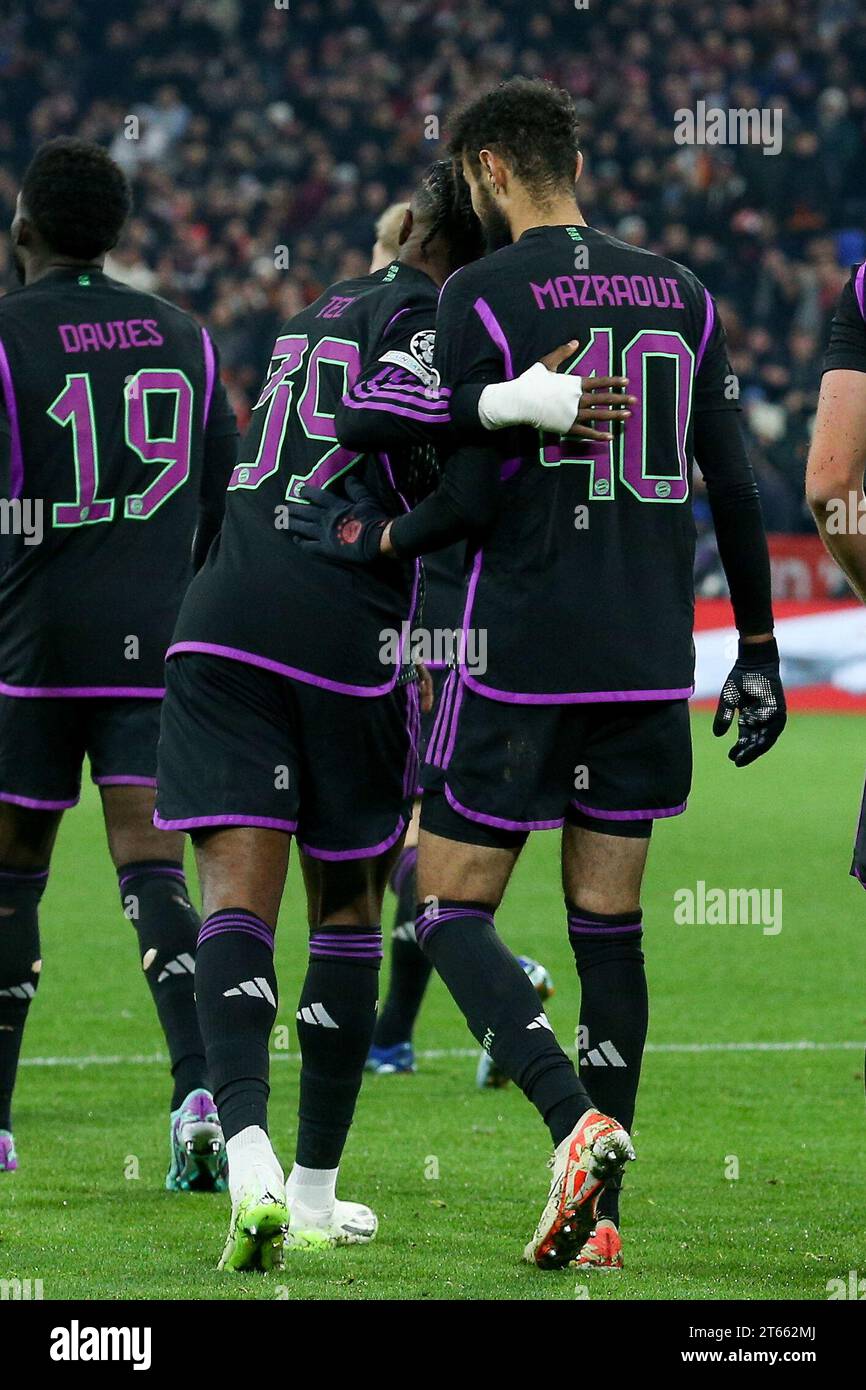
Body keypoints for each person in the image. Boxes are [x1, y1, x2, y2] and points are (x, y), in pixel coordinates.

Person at [293, 78, 787, 1270]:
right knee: (608, 931)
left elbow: (429, 460)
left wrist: (381, 528)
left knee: (446, 904)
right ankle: (605, 1218)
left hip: (517, 646)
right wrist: (758, 651)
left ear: (487, 170)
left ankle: (573, 1125)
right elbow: (734, 481)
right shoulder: (680, 288)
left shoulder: (480, 293)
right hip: (645, 650)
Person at [155, 157, 619, 1271]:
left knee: (230, 897)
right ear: (463, 257)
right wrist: (513, 408)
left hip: (216, 612)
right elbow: (398, 419)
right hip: (336, 622)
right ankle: (308, 1190)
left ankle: (254, 1160)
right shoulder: (430, 314)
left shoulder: (313, 311)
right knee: (351, 903)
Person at [0, 138, 238, 1189]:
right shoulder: (187, 338)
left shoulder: (6, 336)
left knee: (11, 876)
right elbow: (220, 499)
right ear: (119, 230)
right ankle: (199, 1099)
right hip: (157, 640)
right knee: (152, 870)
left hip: (32, 648)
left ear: (23, 229)